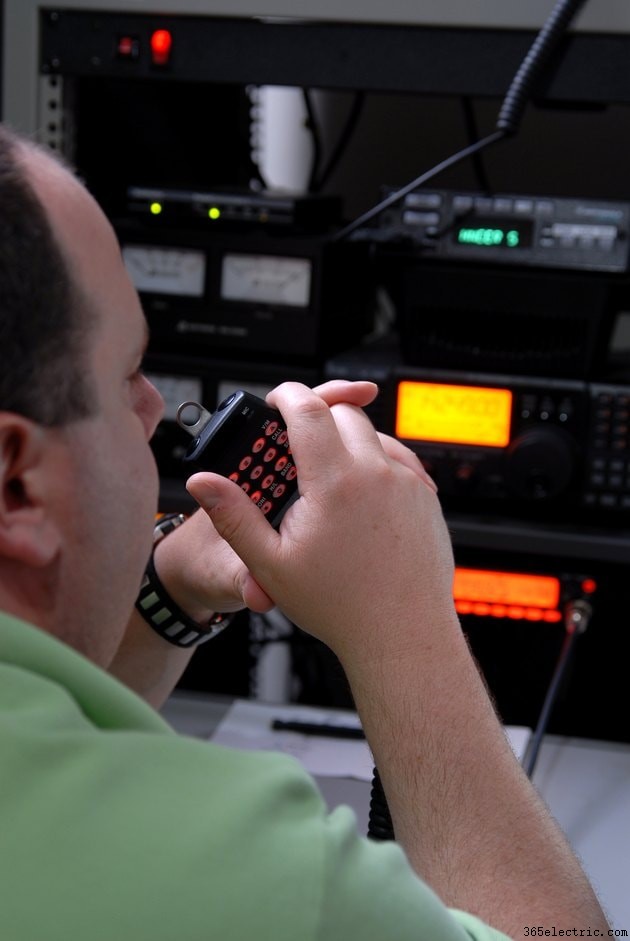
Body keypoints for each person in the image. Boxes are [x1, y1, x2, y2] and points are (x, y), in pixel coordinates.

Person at [0, 120, 610, 941]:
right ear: (16, 482)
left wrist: (167, 590)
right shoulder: (250, 870)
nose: (153, 412)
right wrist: (402, 626)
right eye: (125, 378)